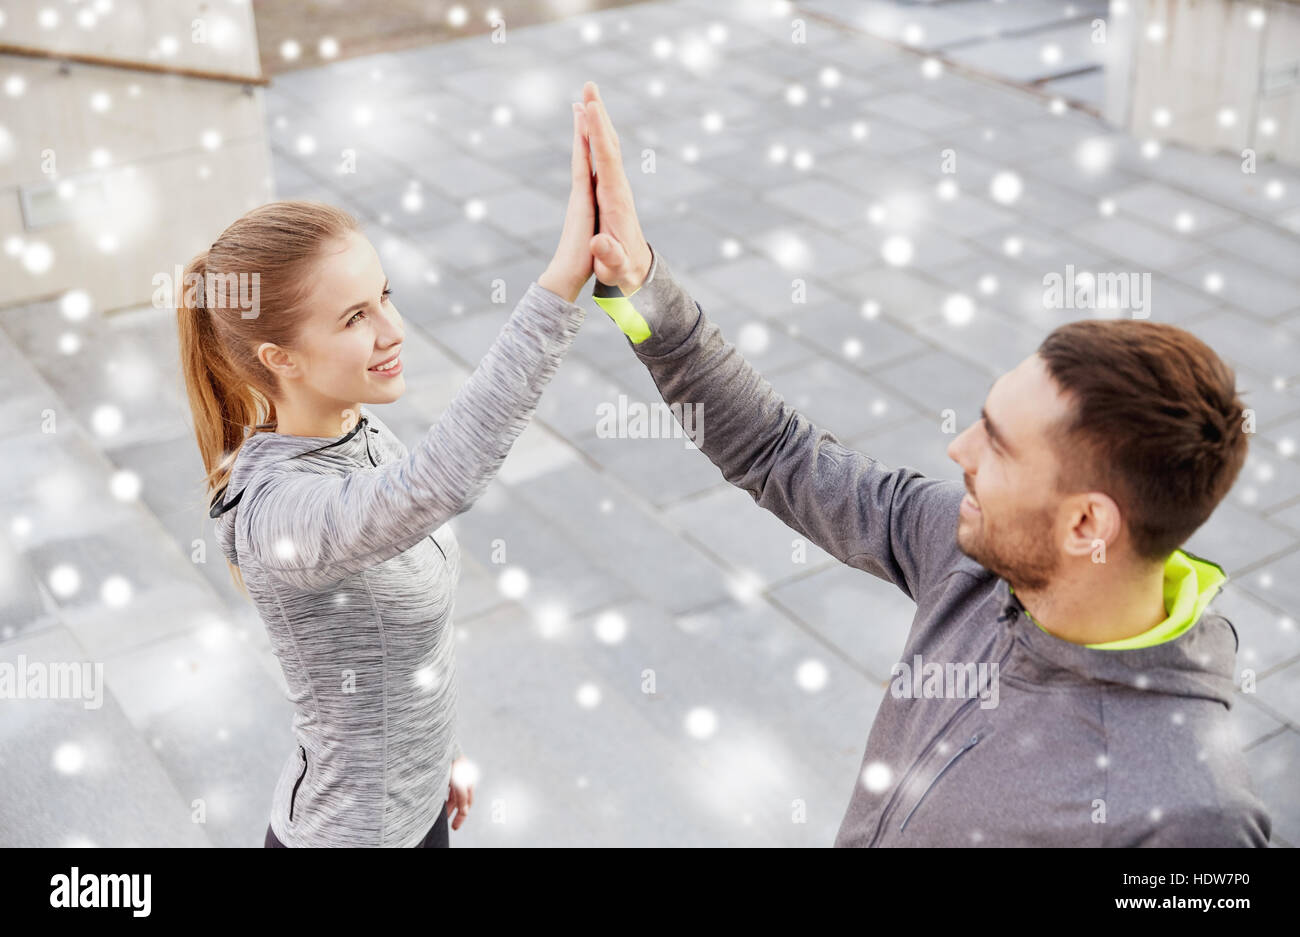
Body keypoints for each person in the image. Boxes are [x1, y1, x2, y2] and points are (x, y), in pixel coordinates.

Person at [577, 81, 1271, 846]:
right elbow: (779, 452)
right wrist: (639, 285)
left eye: (998, 445)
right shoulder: (972, 553)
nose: (958, 451)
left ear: (1086, 522)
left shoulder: (1190, 814)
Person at [176, 102, 598, 847]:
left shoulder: (359, 427)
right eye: (353, 318)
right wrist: (563, 279)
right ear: (281, 359)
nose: (393, 330)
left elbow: (397, 647)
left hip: (417, 814)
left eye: (386, 297)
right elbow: (443, 480)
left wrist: (442, 751)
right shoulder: (281, 513)